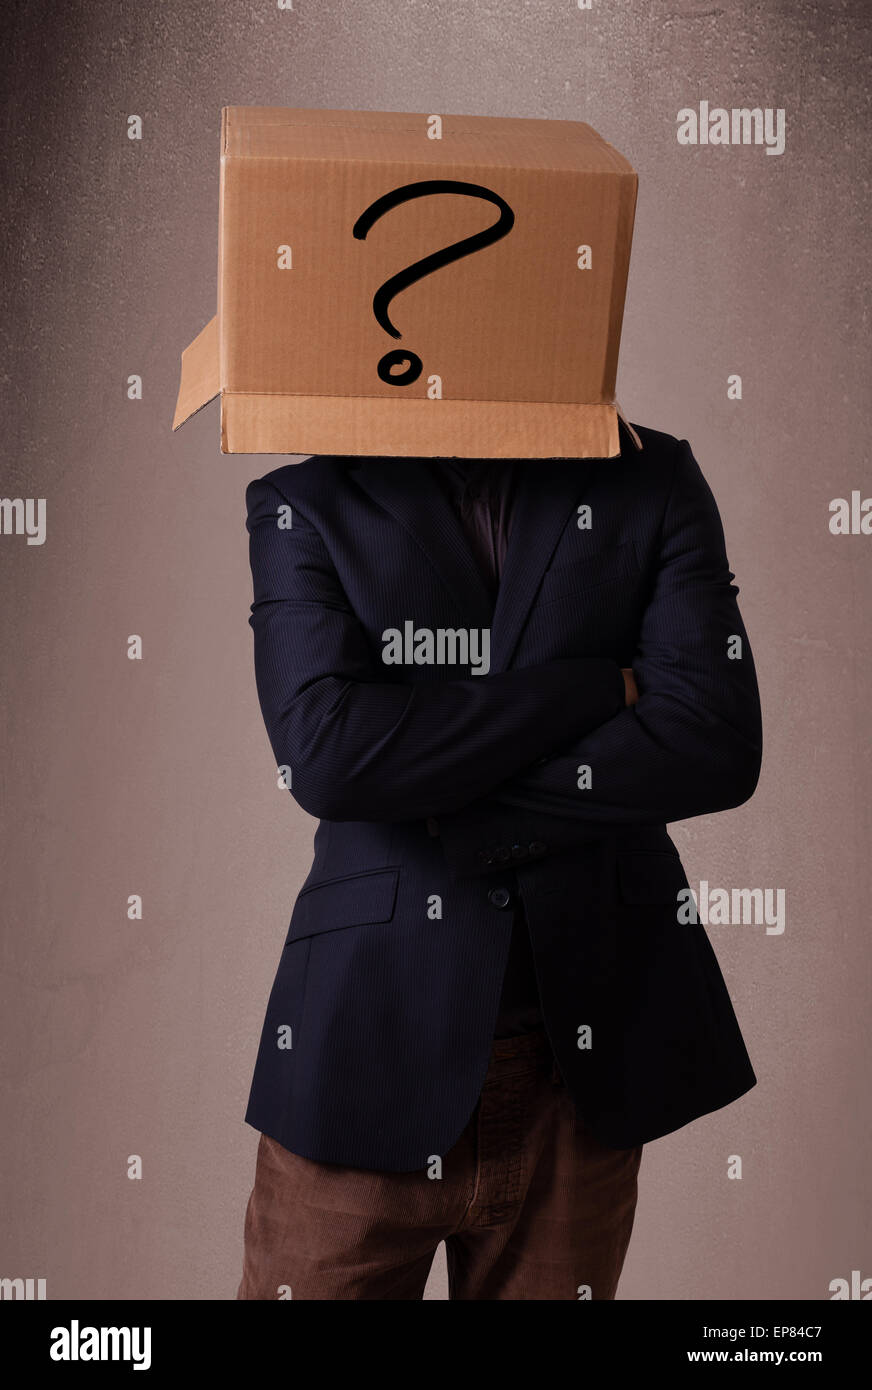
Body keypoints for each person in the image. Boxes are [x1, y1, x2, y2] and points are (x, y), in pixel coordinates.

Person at [236, 418, 762, 1300]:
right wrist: (595, 688)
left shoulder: (649, 476)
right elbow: (326, 755)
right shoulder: (305, 502)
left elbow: (714, 738)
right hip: (368, 1049)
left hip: (584, 1066)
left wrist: (450, 799)